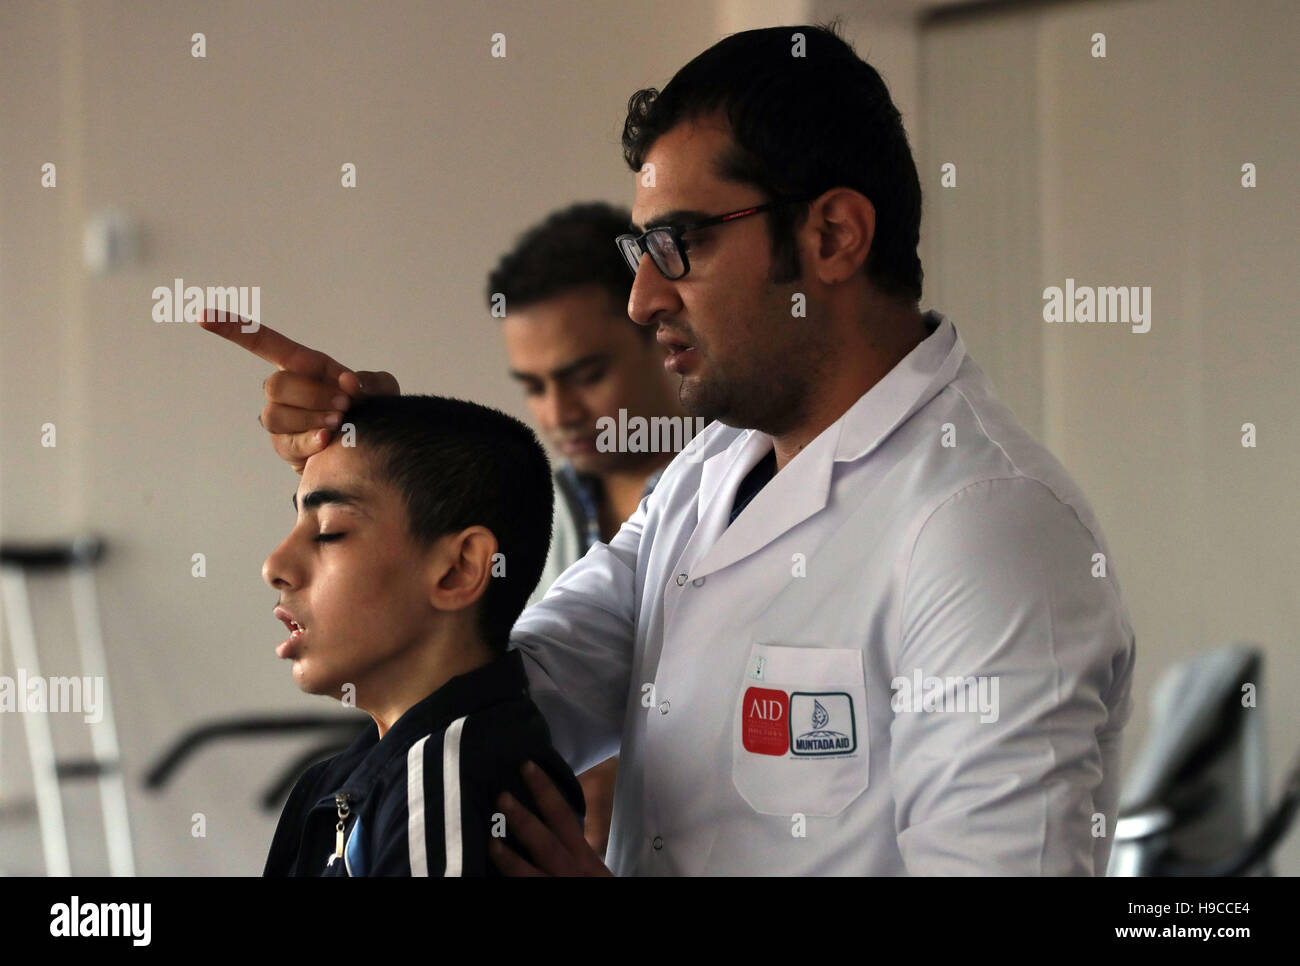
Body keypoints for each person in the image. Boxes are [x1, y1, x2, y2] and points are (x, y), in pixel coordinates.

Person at [206, 22, 1135, 876]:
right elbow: (513, 687)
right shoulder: (711, 474)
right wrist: (388, 485)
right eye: (639, 250)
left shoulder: (985, 528)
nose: (644, 297)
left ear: (833, 235)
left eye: (679, 243)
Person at [260, 394, 584, 876]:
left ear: (458, 568)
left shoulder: (447, 779)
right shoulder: (347, 778)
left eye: (328, 531)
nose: (275, 567)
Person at [489, 202, 686, 857]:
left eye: (586, 376)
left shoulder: (762, 487)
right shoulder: (511, 519)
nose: (559, 413)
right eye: (534, 387)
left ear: (658, 333)